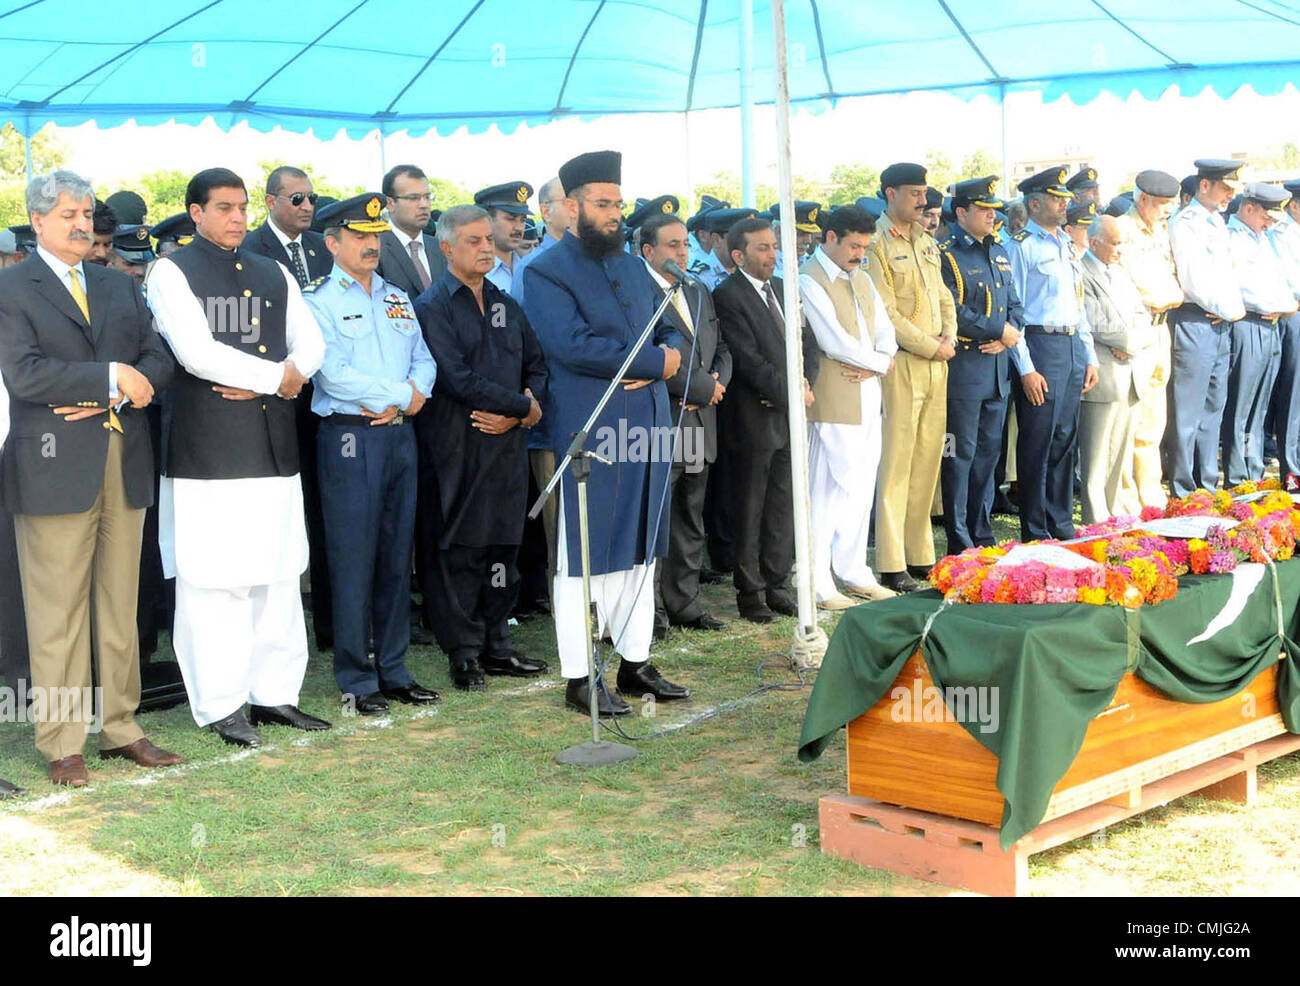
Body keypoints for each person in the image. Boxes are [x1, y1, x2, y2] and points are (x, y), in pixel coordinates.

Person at [0, 170, 180, 786]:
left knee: (120, 604)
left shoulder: (117, 284)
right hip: (51, 467)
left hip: (122, 459)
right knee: (58, 611)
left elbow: (157, 358)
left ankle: (122, 728)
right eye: (68, 215)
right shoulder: (11, 287)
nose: (82, 225)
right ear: (39, 221)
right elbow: (24, 374)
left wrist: (120, 392)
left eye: (86, 214)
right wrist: (109, 378)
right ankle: (62, 741)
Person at [146, 167, 330, 748]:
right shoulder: (171, 270)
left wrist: (288, 376)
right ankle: (221, 704)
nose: (237, 217)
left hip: (273, 444)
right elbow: (196, 353)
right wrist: (277, 378)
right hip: (208, 451)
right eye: (224, 207)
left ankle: (274, 694)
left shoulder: (272, 269)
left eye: (243, 207)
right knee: (214, 581)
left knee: (277, 574)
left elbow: (312, 340)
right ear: (196, 213)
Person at [523, 150, 689, 716]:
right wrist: (655, 363)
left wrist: (670, 355)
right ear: (571, 207)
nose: (615, 213)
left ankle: (635, 662)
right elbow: (571, 346)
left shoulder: (632, 266)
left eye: (618, 203)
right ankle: (579, 676)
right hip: (593, 429)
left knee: (641, 545)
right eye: (602, 203)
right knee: (585, 554)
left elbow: (671, 328)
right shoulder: (546, 271)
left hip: (649, 424)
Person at [305, 193, 440, 715]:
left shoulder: (396, 296)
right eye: (359, 236)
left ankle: (394, 668)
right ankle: (357, 678)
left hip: (399, 435)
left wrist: (412, 396)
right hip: (351, 438)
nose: (371, 244)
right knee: (352, 558)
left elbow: (423, 358)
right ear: (332, 243)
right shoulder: (317, 301)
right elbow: (333, 375)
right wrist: (401, 395)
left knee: (395, 555)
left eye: (375, 235)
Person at [416, 204, 550, 690]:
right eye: (474, 241)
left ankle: (498, 644)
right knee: (461, 552)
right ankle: (464, 652)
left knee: (501, 549)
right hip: (457, 449)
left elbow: (537, 363)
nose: (486, 248)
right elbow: (456, 378)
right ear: (446, 248)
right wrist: (522, 406)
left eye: (489, 240)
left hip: (507, 448)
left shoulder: (503, 303)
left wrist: (525, 408)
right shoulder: (432, 306)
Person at [242, 165, 336, 652]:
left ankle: (331, 621)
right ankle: (283, 614)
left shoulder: (324, 246)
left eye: (311, 198)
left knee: (327, 510)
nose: (307, 206)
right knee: (283, 511)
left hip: (329, 398)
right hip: (276, 397)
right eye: (296, 198)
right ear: (271, 201)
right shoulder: (250, 250)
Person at [713, 216, 821, 622]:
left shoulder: (783, 288)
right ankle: (751, 593)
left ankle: (777, 584)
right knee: (750, 508)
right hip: (753, 420)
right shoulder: (728, 296)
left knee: (782, 504)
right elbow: (747, 361)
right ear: (738, 255)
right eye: (762, 248)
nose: (772, 254)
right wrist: (791, 392)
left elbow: (808, 342)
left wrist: (806, 384)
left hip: (788, 415)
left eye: (773, 246)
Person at [637, 210, 734, 634]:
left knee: (690, 520)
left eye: (685, 244)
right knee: (656, 522)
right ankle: (652, 612)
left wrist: (717, 384)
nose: (682, 252)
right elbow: (648, 356)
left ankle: (685, 603)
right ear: (648, 250)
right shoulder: (637, 292)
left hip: (701, 422)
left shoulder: (696, 289)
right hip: (663, 421)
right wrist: (700, 389)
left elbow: (721, 347)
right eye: (672, 245)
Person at [799, 204, 897, 607]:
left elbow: (885, 330)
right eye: (854, 246)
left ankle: (854, 572)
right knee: (827, 489)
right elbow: (833, 341)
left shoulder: (862, 277)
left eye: (864, 247)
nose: (859, 254)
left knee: (859, 487)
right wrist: (879, 363)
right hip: (833, 398)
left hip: (868, 394)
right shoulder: (808, 279)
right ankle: (817, 582)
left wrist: (880, 361)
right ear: (830, 238)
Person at [864, 162, 956, 591]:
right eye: (915, 193)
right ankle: (891, 560)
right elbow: (885, 312)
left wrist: (948, 337)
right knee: (897, 462)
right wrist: (929, 345)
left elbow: (944, 296)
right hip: (902, 362)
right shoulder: (876, 243)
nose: (923, 201)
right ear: (891, 193)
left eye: (924, 193)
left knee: (927, 459)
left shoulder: (926, 241)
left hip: (938, 361)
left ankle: (919, 553)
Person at [1005, 166, 1100, 540]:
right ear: (1034, 204)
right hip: (1040, 344)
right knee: (1038, 441)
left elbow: (1078, 305)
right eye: (1056, 199)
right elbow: (1015, 313)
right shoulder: (1021, 247)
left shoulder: (1066, 245)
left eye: (1065, 199)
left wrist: (1089, 354)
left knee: (1064, 439)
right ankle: (1035, 528)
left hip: (1071, 344)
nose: (1064, 205)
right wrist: (1026, 368)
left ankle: (1060, 522)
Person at [938, 177, 1027, 552]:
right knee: (959, 456)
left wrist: (1009, 334)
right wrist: (997, 329)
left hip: (996, 372)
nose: (993, 216)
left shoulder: (998, 251)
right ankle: (959, 537)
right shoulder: (947, 255)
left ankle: (982, 531)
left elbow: (1015, 305)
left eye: (994, 209)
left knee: (989, 457)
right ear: (961, 213)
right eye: (984, 209)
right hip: (965, 371)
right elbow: (952, 310)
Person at [1165, 159, 1247, 496]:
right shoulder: (1185, 223)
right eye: (1225, 188)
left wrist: (1230, 312)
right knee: (1187, 412)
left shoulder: (1216, 222)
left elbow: (1228, 275)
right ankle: (1184, 489)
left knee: (1213, 408)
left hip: (1220, 322)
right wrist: (1230, 311)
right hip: (1196, 320)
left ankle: (1207, 485)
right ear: (1204, 186)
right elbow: (1193, 280)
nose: (1230, 195)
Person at [1078, 214, 1156, 522]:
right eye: (1114, 243)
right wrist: (1129, 340)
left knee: (1119, 452)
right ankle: (1095, 518)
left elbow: (1143, 315)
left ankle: (1113, 511)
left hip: (1129, 370)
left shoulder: (1120, 272)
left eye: (1122, 242)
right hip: (1104, 373)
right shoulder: (1081, 272)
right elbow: (1094, 321)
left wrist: (1132, 343)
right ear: (1094, 242)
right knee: (1097, 453)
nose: (1120, 249)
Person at [1114, 170, 1183, 509]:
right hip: (1135, 329)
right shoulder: (1120, 230)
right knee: (1130, 418)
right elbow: (1121, 285)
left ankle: (1150, 493)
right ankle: (1127, 498)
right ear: (1143, 199)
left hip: (1160, 328)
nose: (1169, 211)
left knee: (1154, 419)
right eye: (1164, 204)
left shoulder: (1161, 230)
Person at [1223, 182, 1295, 485]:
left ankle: (1253, 469)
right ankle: (1237, 475)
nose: (1269, 224)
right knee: (1241, 406)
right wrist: (1281, 306)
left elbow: (1279, 283)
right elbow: (1247, 288)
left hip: (1271, 325)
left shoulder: (1261, 239)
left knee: (1259, 407)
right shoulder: (1231, 238)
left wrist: (1283, 307)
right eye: (1266, 217)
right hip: (1248, 322)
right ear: (1249, 208)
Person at [1269, 178, 1300, 490]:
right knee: (1293, 397)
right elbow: (1292, 281)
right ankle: (1292, 472)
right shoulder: (1283, 235)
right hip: (1294, 316)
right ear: (1294, 206)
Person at [378, 164, 447, 300]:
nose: (424, 205)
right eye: (414, 198)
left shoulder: (440, 247)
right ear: (390, 203)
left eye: (427, 197)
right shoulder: (376, 249)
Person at [474, 181, 533, 293]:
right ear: (487, 220)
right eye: (511, 218)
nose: (519, 228)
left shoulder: (529, 267)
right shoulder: (474, 274)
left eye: (523, 220)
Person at [693, 207, 756, 290]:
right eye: (739, 239)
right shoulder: (701, 278)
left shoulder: (750, 271)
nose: (744, 246)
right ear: (716, 240)